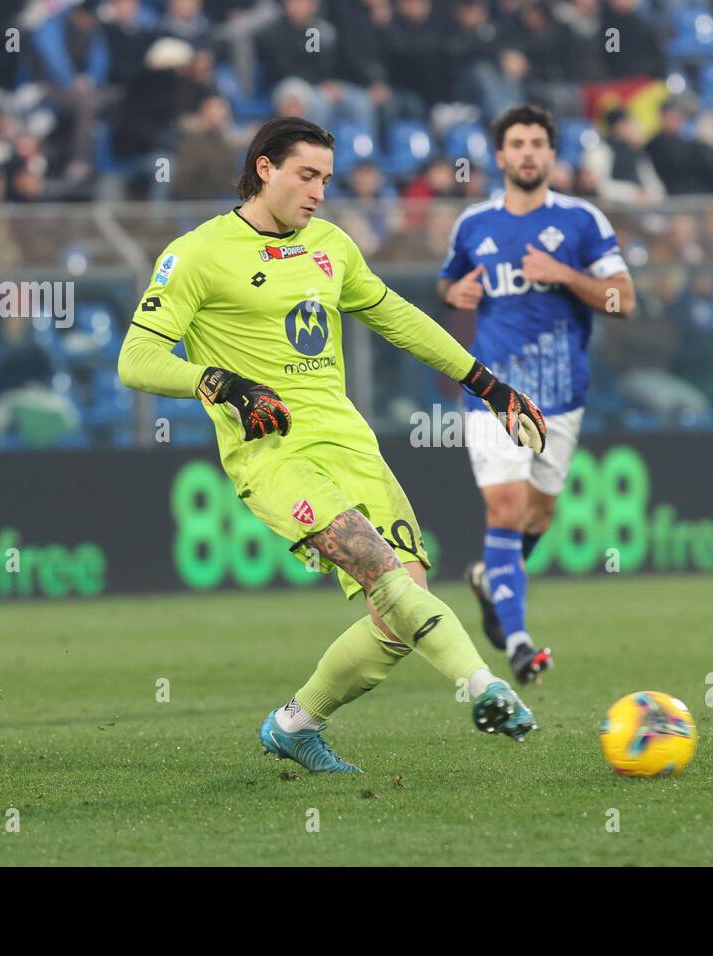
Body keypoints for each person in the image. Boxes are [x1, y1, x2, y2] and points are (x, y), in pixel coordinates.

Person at [117, 117, 547, 774]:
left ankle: (296, 723)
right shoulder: (199, 253)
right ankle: (484, 686)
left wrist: (484, 382)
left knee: (400, 605)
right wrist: (219, 382)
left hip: (351, 444)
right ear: (265, 169)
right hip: (275, 457)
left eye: (326, 178)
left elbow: (393, 314)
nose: (319, 191)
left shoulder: (331, 246)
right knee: (381, 571)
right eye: (307, 175)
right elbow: (136, 359)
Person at [437, 104, 636, 684]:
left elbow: (626, 300)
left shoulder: (582, 221)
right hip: (495, 393)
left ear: (552, 155)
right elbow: (449, 282)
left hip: (563, 396)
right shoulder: (473, 223)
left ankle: (489, 579)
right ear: (500, 157)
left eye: (537, 144)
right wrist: (456, 295)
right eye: (517, 144)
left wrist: (566, 275)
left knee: (538, 514)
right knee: (506, 507)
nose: (527, 153)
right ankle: (521, 645)